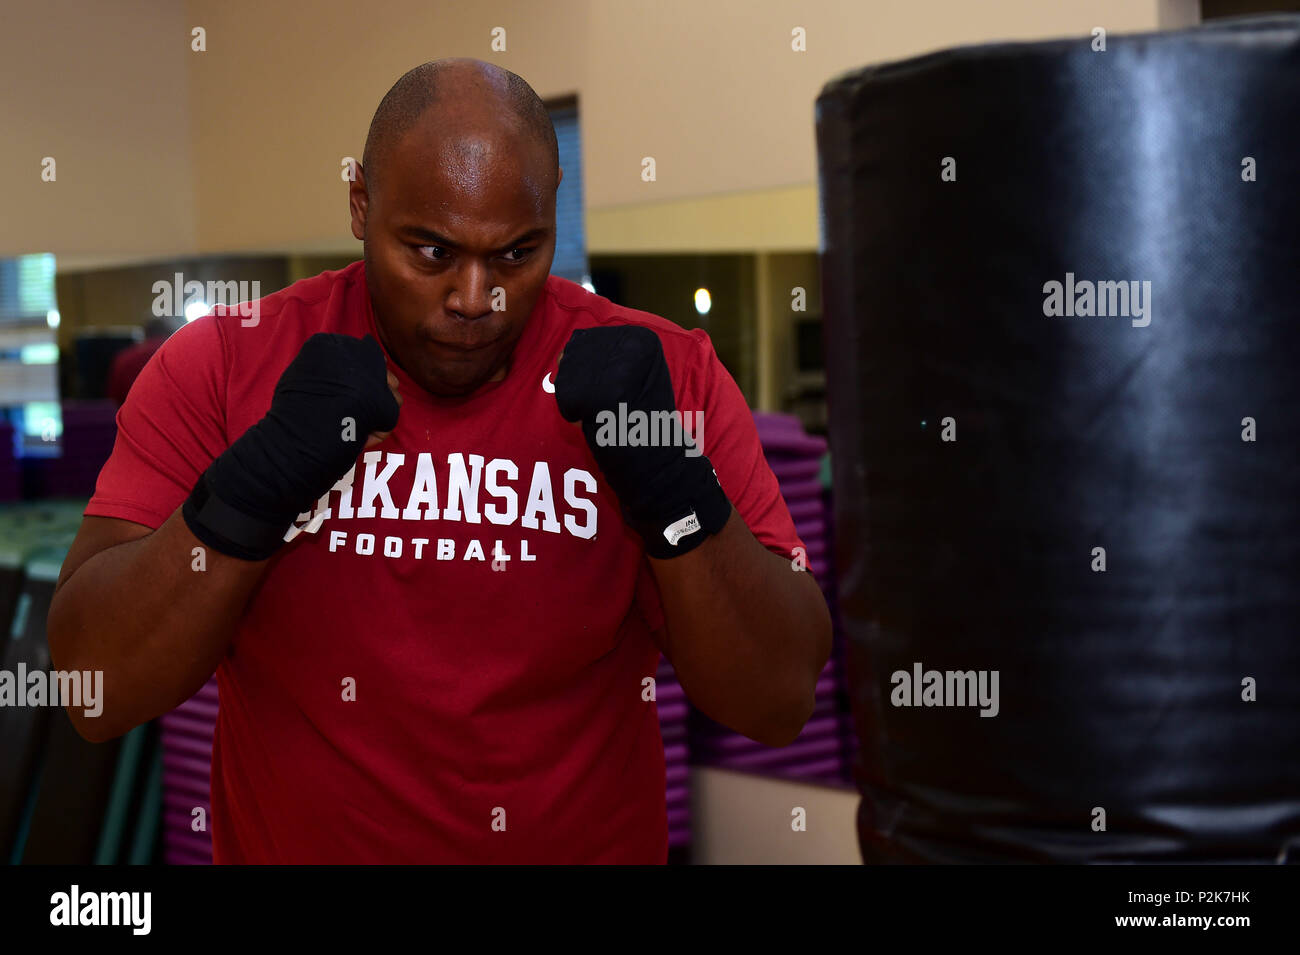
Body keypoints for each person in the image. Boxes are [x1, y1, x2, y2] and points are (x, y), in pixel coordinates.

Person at [46, 58, 831, 864]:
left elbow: (778, 698)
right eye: (430, 252)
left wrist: (672, 485)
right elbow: (91, 690)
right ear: (360, 203)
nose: (473, 299)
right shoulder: (224, 364)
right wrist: (254, 485)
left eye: (518, 255)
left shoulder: (669, 374)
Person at [105, 317, 170, 405]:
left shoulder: (125, 358)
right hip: (171, 412)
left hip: (134, 413)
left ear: (145, 333)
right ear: (167, 331)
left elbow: (114, 396)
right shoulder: (175, 353)